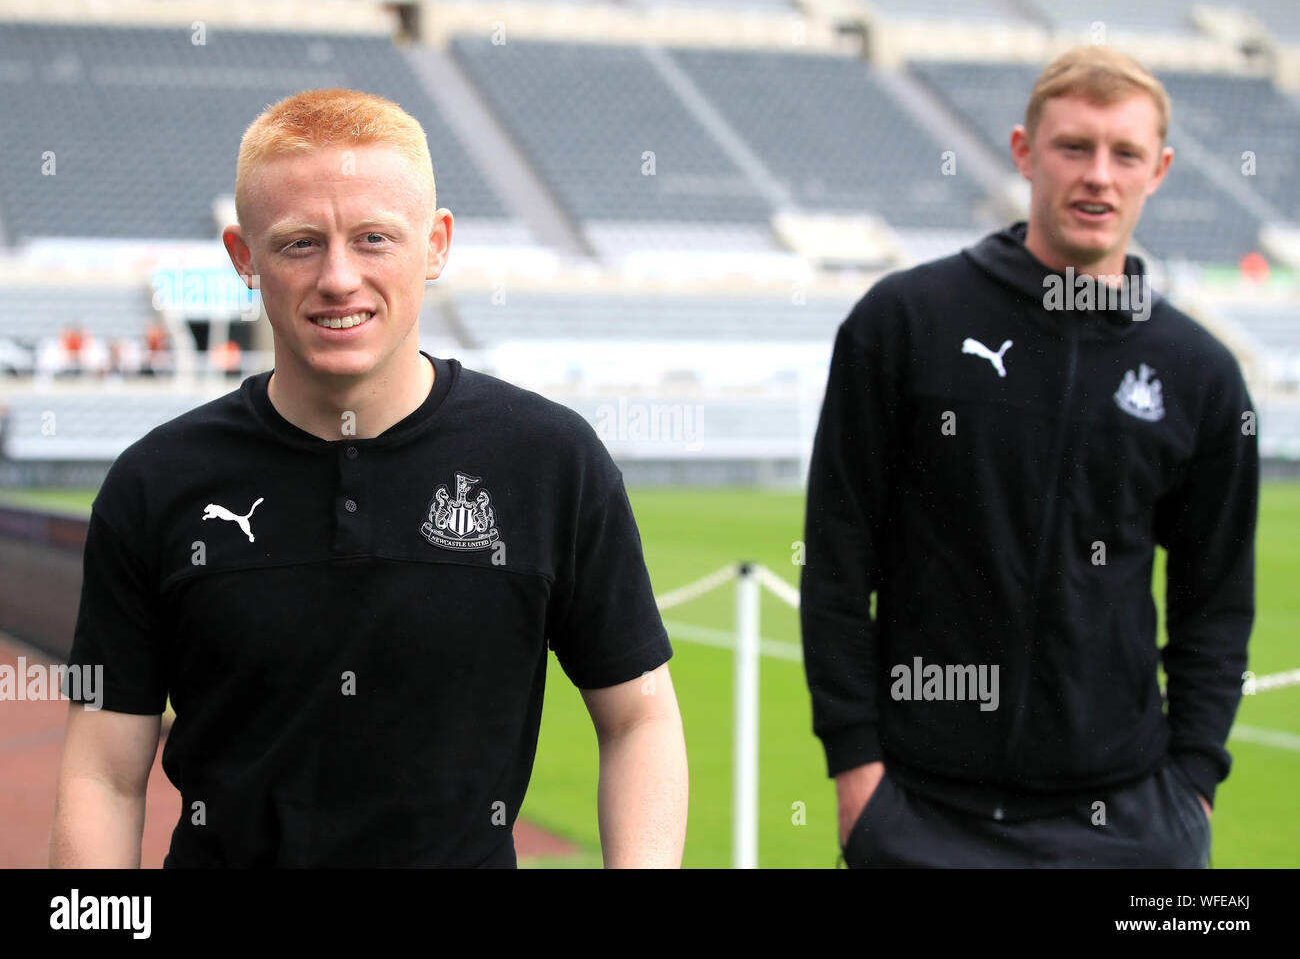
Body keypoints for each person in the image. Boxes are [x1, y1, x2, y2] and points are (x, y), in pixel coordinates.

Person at [50, 88, 688, 868]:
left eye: (375, 238)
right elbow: (104, 773)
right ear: (244, 258)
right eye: (299, 244)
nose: (339, 278)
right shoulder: (155, 483)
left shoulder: (551, 460)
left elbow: (640, 719)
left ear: (436, 244)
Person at [800, 46, 1258, 867]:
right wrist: (856, 769)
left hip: (1130, 823)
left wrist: (1194, 783)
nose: (1098, 176)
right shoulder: (905, 323)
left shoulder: (1200, 374)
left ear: (1160, 170)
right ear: (1023, 151)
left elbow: (1216, 604)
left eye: (1125, 154)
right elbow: (836, 563)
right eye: (1074, 147)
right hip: (921, 813)